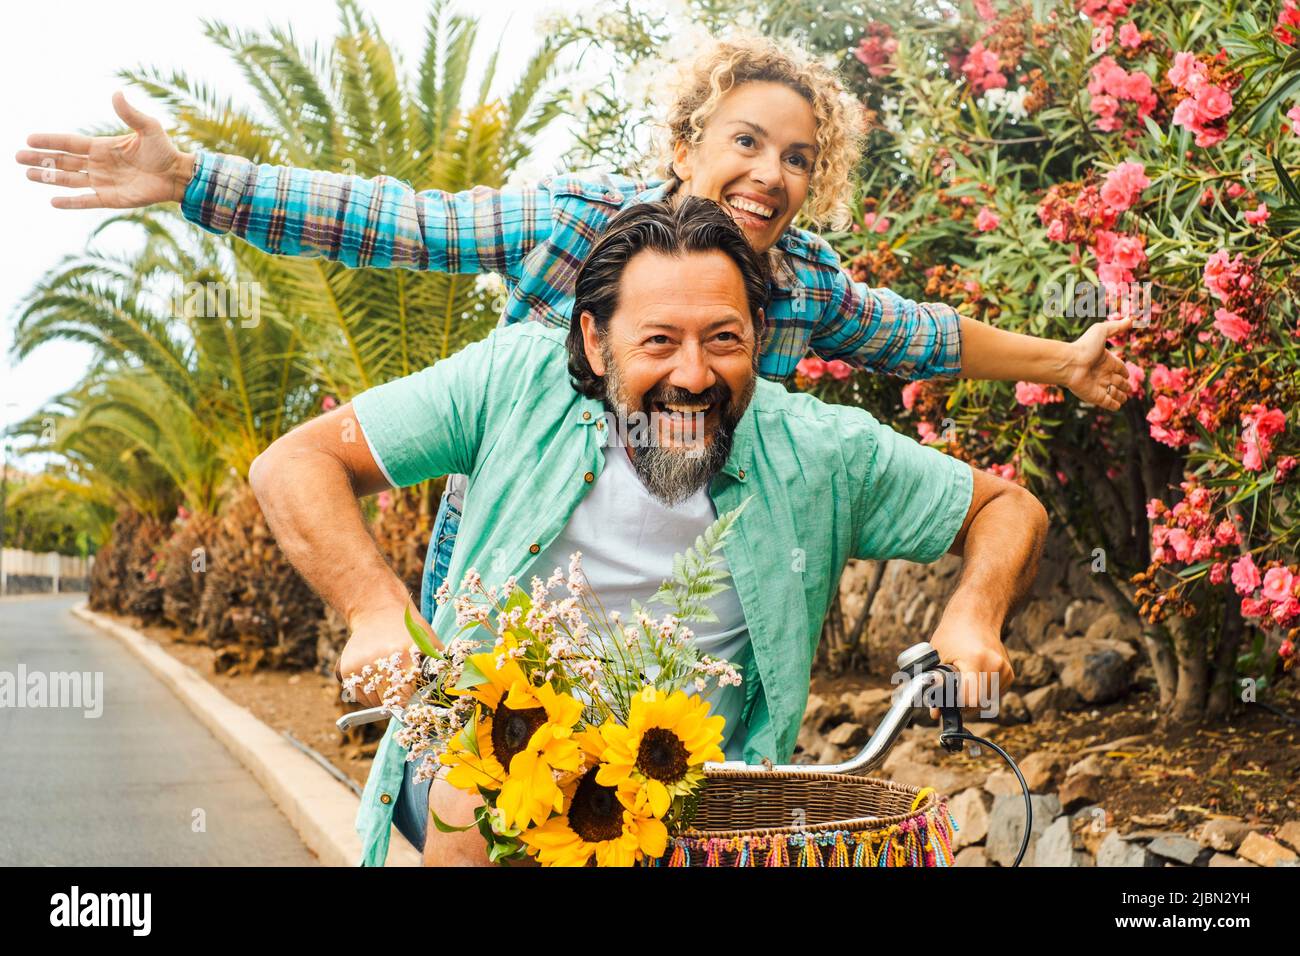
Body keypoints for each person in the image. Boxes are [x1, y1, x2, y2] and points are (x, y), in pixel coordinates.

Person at [16, 33, 1129, 621]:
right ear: (689, 138)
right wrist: (204, 180)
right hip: (512, 586)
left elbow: (922, 336)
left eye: (799, 158)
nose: (770, 174)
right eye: (747, 141)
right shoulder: (575, 225)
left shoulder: (799, 284)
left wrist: (1065, 359)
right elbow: (403, 220)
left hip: (683, 612)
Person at [247, 196, 1048, 865]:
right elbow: (297, 462)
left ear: (757, 340)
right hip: (490, 766)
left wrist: (972, 612)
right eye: (658, 341)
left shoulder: (820, 449)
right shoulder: (508, 381)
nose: (694, 376)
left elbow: (1007, 508)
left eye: (724, 339)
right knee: (468, 805)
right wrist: (374, 608)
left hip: (694, 806)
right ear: (596, 343)